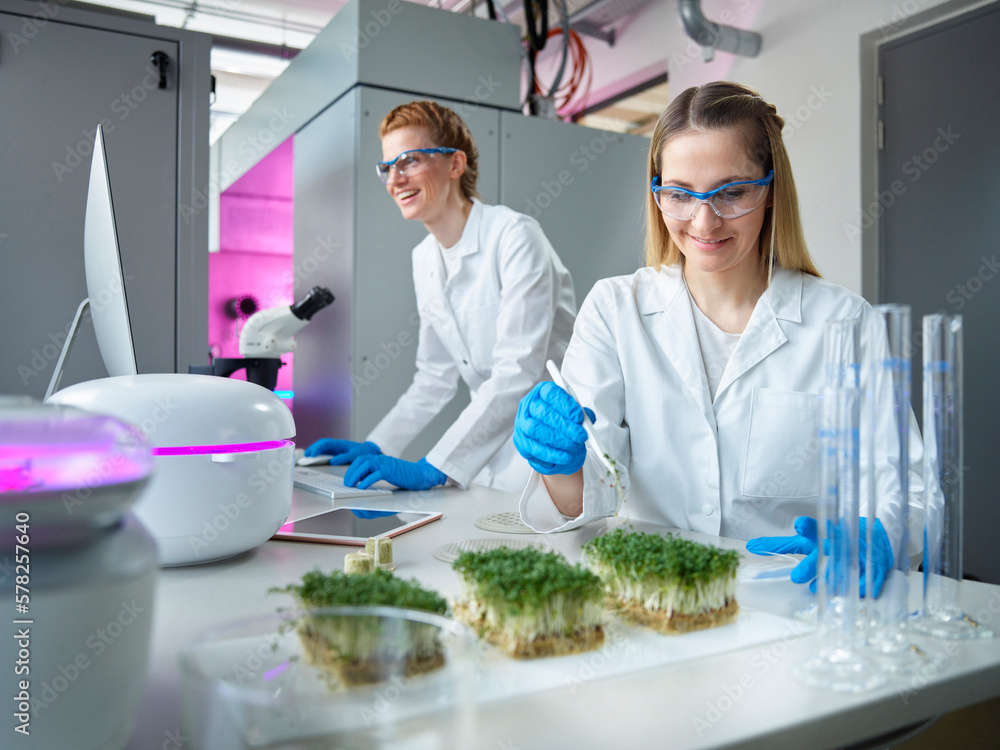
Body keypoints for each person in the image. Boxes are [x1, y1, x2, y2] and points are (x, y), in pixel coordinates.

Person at [512, 81, 921, 597]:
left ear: (770, 189)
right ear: (657, 193)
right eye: (680, 194)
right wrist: (560, 466)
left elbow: (908, 488)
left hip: (796, 603)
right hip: (656, 602)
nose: (704, 221)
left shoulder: (843, 321)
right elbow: (591, 492)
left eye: (731, 192)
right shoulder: (617, 310)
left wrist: (879, 534)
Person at [306, 100, 576, 493]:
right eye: (387, 167)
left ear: (455, 165)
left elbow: (518, 372)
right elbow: (434, 377)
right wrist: (379, 443)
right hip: (485, 449)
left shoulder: (515, 236)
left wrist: (435, 466)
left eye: (409, 160)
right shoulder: (424, 259)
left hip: (551, 442)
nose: (395, 179)